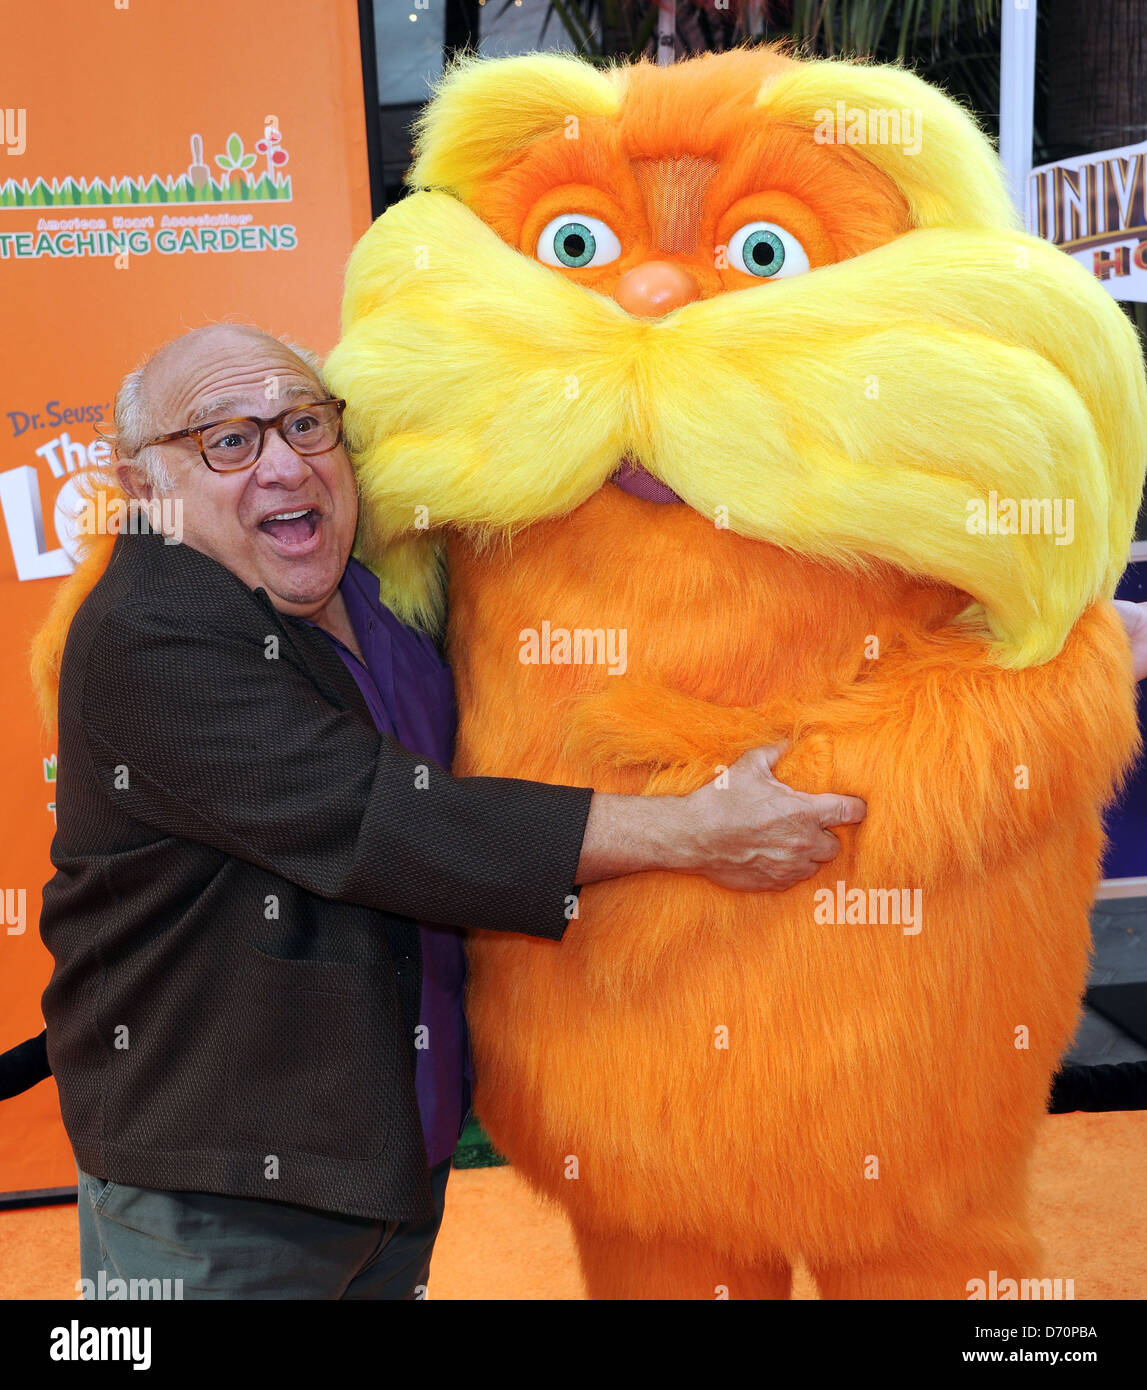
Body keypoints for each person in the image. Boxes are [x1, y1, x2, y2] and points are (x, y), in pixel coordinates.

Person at [9, 322, 870, 1300]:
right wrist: (694, 830)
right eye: (227, 441)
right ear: (142, 485)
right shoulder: (148, 634)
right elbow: (387, 821)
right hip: (221, 1180)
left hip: (380, 1149)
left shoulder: (376, 595)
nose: (285, 466)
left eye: (305, 423)